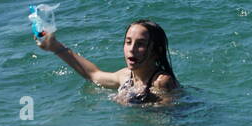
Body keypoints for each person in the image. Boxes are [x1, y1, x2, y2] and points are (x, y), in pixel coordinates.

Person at [36, 19, 179, 104]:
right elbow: (93, 74)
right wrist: (54, 46)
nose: (132, 49)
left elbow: (166, 123)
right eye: (128, 42)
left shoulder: (161, 82)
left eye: (140, 44)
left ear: (157, 50)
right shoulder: (126, 76)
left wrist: (131, 103)